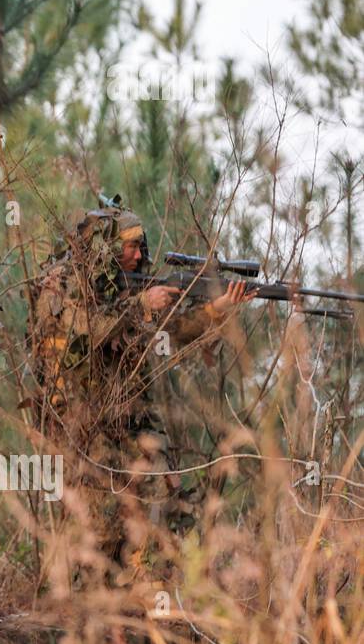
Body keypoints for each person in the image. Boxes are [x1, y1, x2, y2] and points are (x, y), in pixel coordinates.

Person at [28, 200, 253, 585]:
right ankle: (78, 613)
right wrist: (139, 305)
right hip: (83, 425)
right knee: (97, 525)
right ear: (105, 249)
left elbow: (173, 331)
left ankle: (136, 610)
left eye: (139, 245)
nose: (137, 253)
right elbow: (87, 330)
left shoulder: (130, 287)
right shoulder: (62, 282)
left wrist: (217, 308)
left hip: (131, 423)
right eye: (128, 246)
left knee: (154, 512)